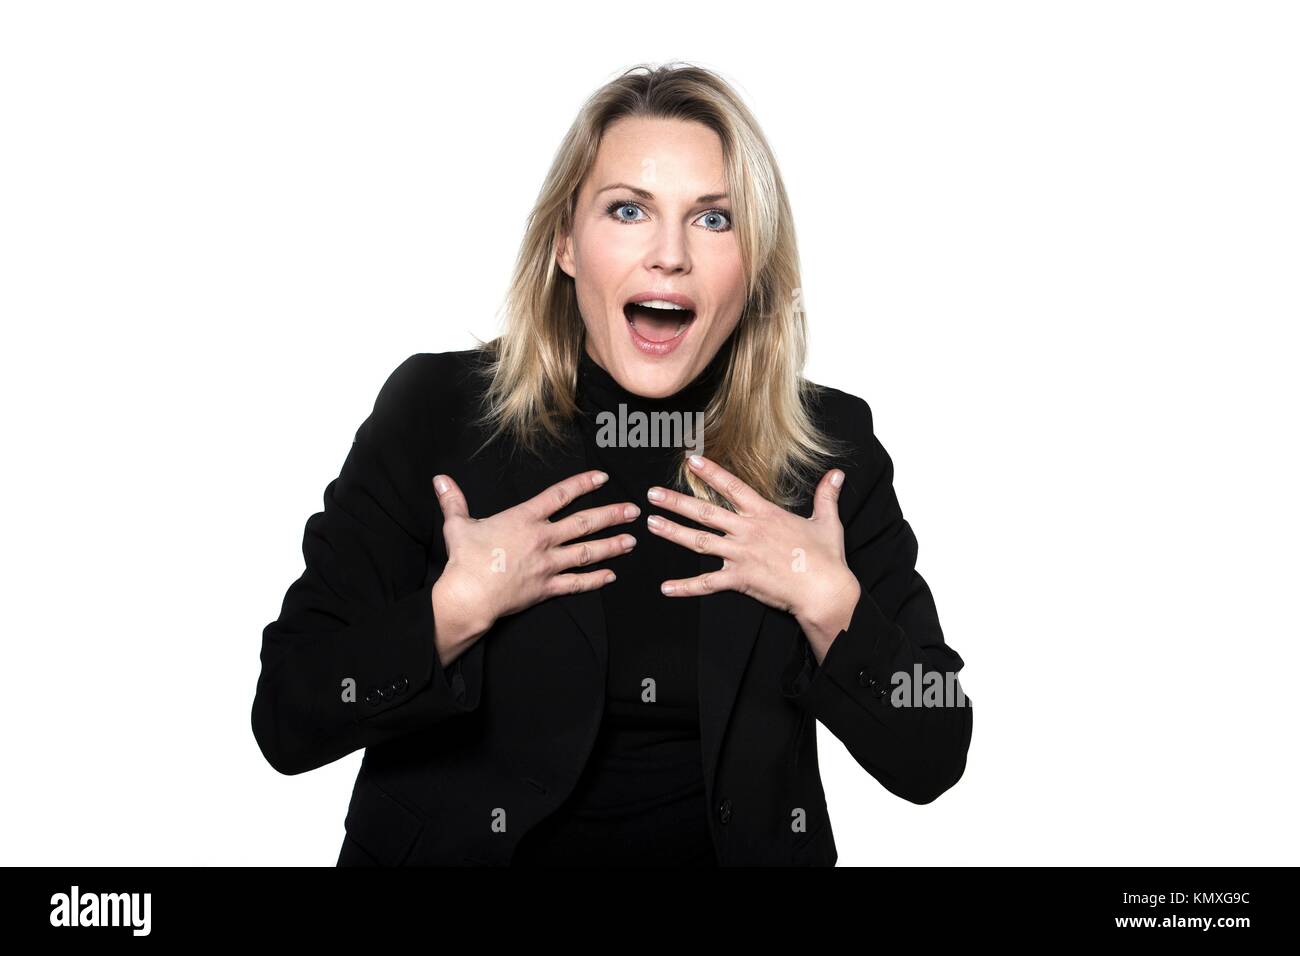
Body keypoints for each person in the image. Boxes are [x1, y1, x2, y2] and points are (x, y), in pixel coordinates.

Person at [251, 62, 972, 867]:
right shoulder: (437, 411)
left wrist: (826, 598)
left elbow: (935, 745)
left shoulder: (827, 449)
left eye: (715, 220)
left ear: (757, 263)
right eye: (628, 210)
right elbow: (288, 715)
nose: (670, 256)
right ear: (565, 243)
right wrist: (454, 609)